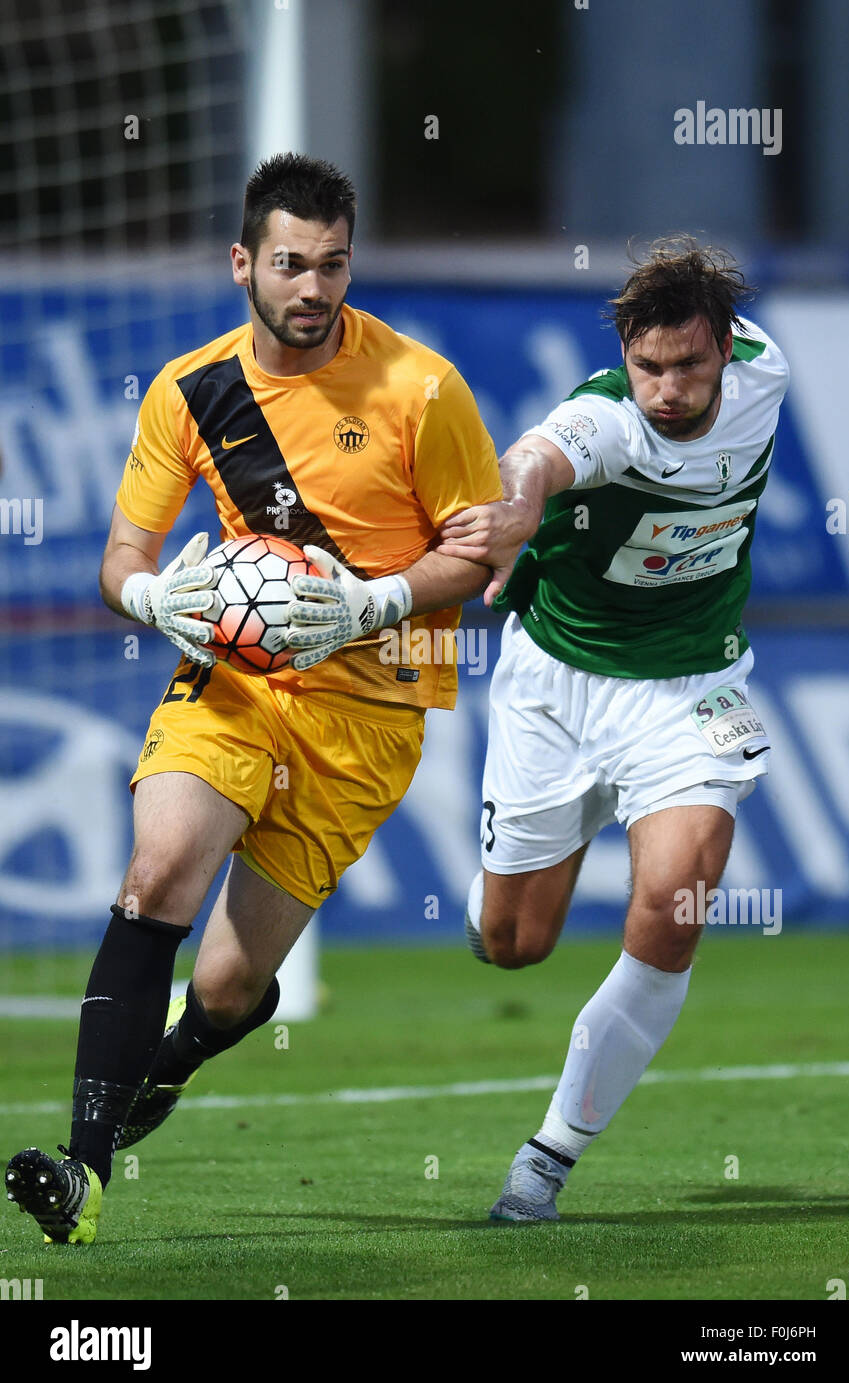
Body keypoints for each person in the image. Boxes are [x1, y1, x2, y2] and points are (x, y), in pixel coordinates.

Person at [5, 152, 500, 1245]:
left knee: (228, 986)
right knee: (156, 872)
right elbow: (119, 555)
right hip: (233, 680)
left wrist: (368, 604)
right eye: (289, 263)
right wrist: (154, 595)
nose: (313, 287)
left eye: (332, 264)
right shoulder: (192, 389)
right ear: (243, 264)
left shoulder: (422, 387)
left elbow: (478, 557)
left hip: (367, 711)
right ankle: (82, 1172)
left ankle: (176, 1056)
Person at [438, 236, 788, 1221]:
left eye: (686, 364)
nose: (667, 388)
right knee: (514, 944)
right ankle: (494, 894)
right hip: (557, 687)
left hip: (691, 691)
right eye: (648, 367)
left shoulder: (767, 371)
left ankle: (545, 1158)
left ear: (725, 348)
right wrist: (512, 510)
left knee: (677, 895)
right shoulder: (605, 419)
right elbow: (539, 459)